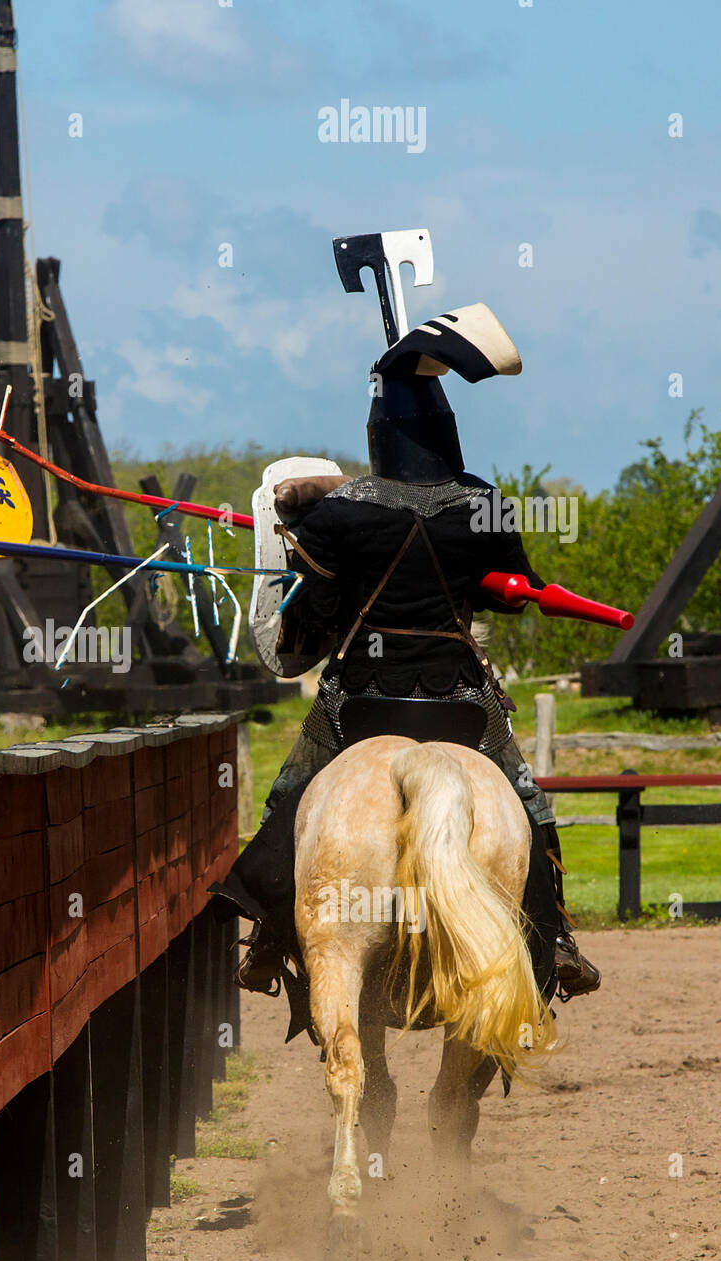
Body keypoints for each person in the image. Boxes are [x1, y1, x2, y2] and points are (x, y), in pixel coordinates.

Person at [214, 303, 600, 1029]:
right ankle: (557, 939)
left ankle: (266, 937)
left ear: (379, 436)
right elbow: (515, 601)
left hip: (359, 702)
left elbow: (312, 625)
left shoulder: (342, 513)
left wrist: (294, 545)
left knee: (291, 801)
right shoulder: (481, 504)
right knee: (528, 810)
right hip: (461, 700)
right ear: (444, 431)